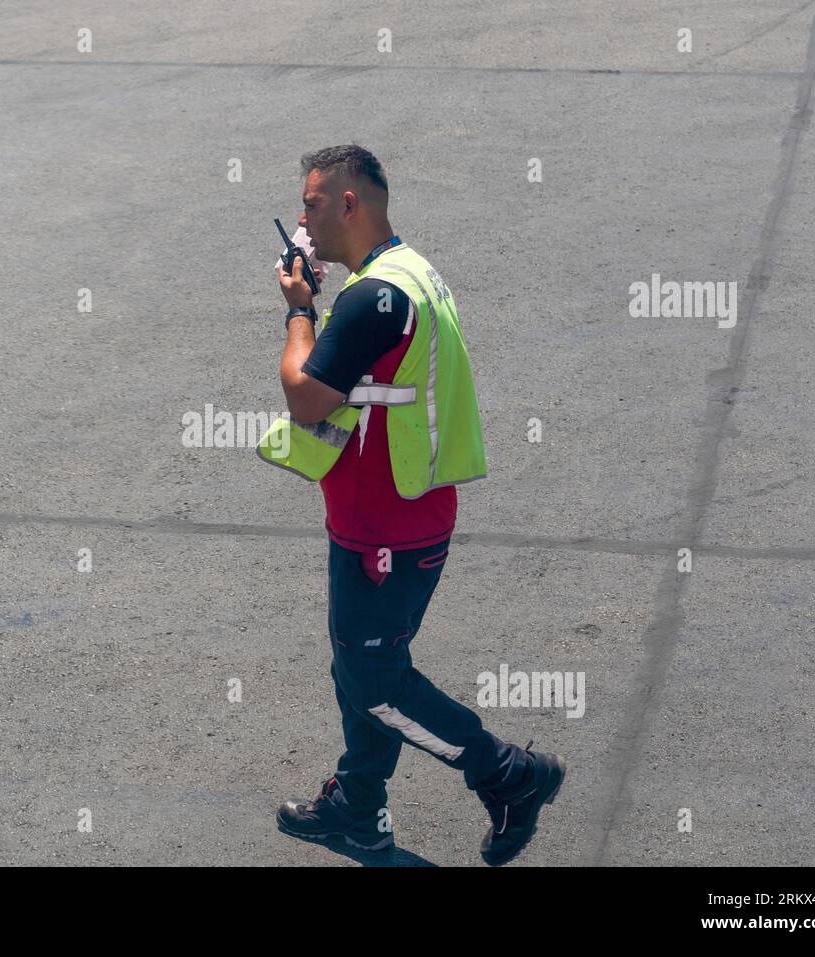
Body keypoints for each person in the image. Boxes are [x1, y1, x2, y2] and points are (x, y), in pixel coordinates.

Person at [260, 144, 565, 865]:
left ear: (348, 203)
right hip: (389, 517)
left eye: (309, 203)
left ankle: (510, 773)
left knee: (373, 681)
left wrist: (299, 312)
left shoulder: (372, 297)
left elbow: (305, 394)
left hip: (385, 531)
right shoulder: (405, 273)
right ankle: (358, 811)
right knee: (359, 666)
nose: (301, 218)